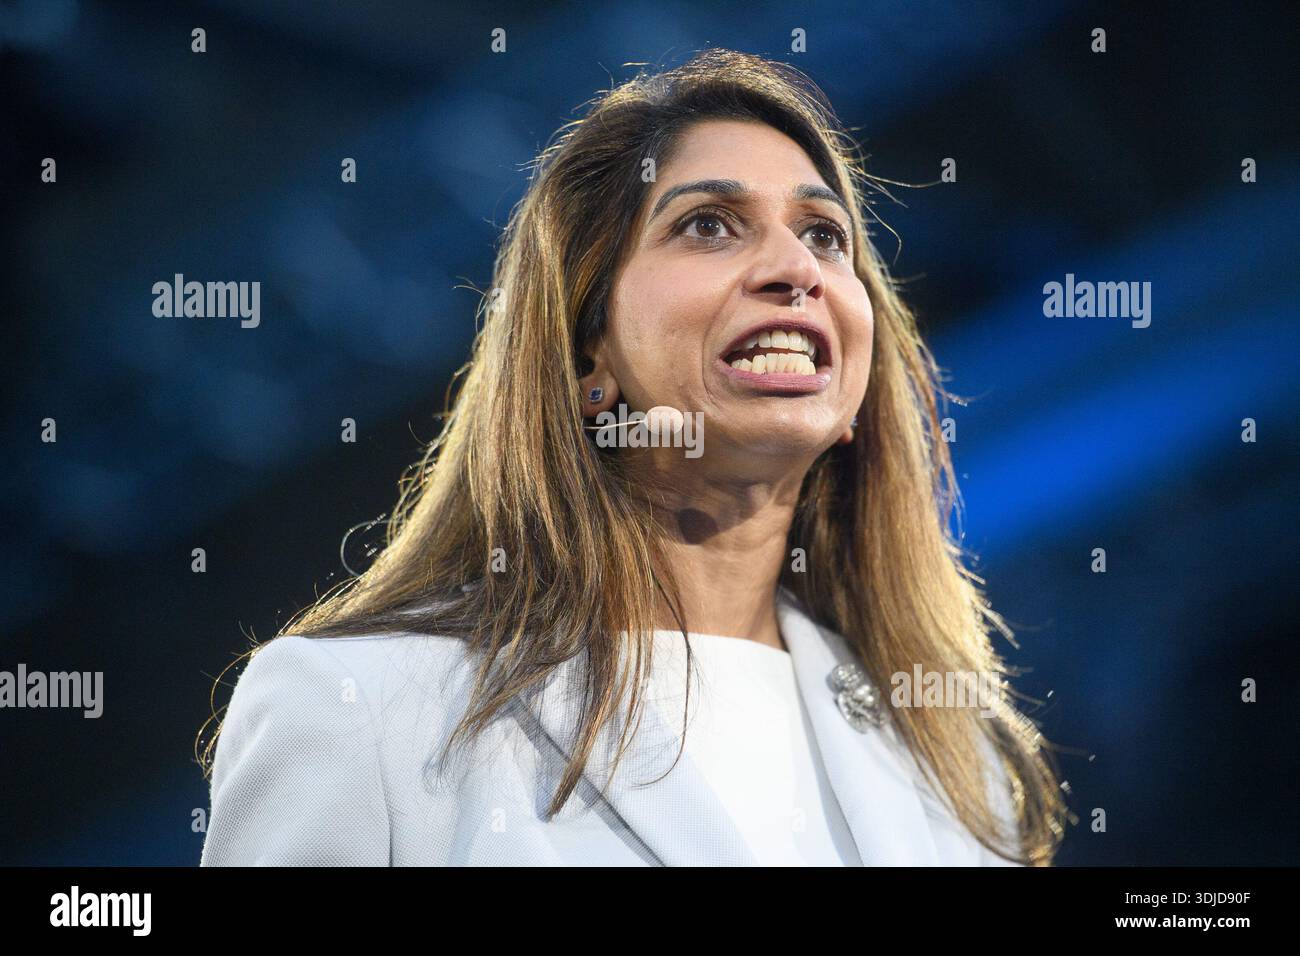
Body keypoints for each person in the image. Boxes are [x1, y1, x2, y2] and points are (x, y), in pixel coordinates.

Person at [198, 48, 1066, 866]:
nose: (793, 267)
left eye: (825, 234)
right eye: (710, 225)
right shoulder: (359, 709)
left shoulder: (952, 756)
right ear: (587, 357)